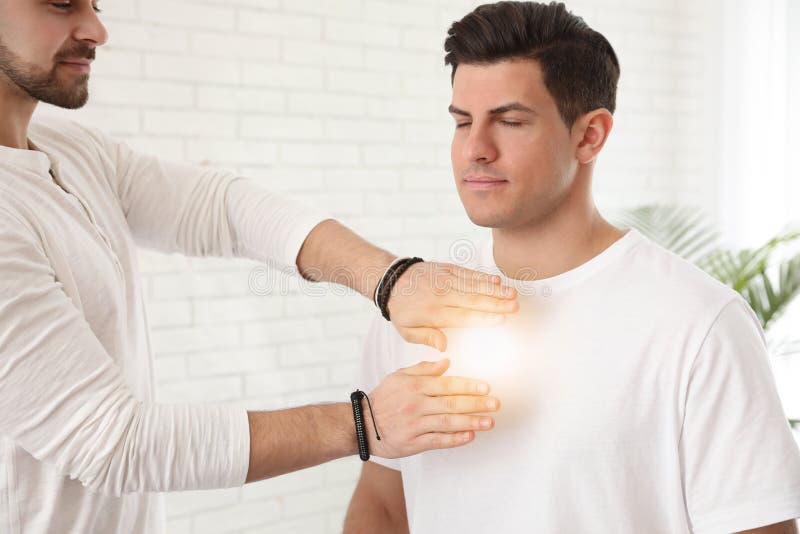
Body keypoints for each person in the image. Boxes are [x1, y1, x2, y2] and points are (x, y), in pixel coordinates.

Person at [0, 1, 520, 532]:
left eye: (95, 3)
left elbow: (221, 208)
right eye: (60, 3)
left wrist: (391, 279)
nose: (97, 30)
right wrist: (367, 424)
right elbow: (111, 443)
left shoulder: (69, 149)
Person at [344, 2, 800, 533]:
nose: (475, 149)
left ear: (590, 136)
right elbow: (382, 504)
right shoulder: (413, 308)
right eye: (462, 121)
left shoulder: (698, 324)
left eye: (510, 121)